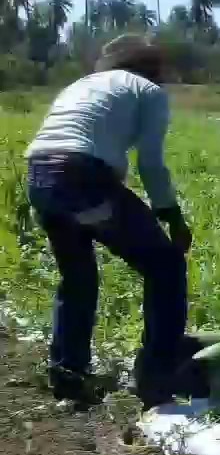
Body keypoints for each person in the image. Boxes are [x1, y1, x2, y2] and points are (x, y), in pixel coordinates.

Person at [25, 34, 191, 409]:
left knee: (78, 278)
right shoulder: (148, 91)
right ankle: (156, 376)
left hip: (39, 176)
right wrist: (172, 217)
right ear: (153, 69)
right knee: (165, 265)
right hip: (82, 177)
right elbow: (150, 162)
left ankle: (69, 378)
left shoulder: (81, 85)